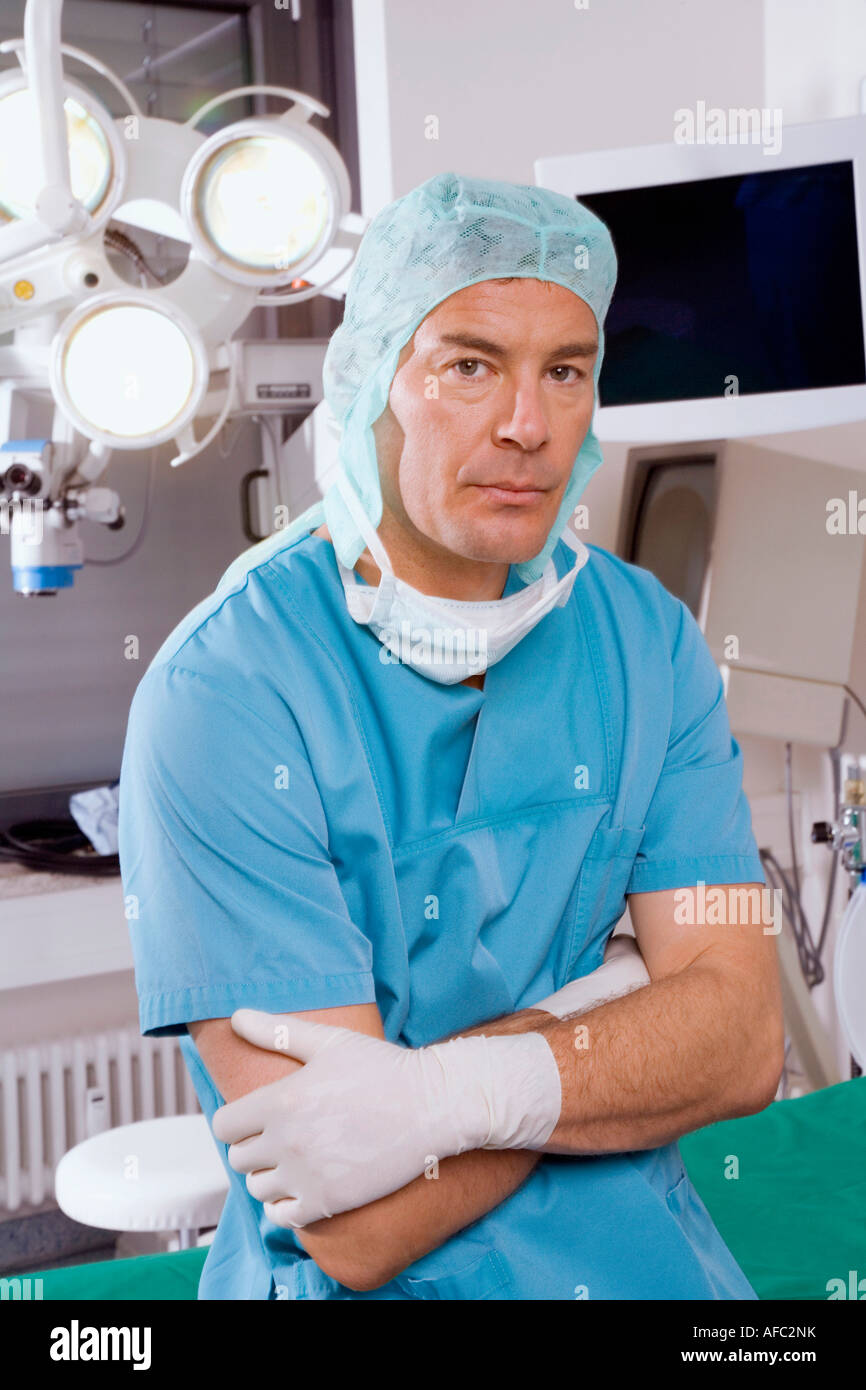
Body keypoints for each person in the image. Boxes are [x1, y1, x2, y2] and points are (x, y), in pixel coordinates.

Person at [117, 171, 784, 1301]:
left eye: (564, 371)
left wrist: (441, 1098)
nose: (525, 425)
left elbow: (743, 1042)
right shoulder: (226, 690)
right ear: (374, 376)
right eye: (468, 364)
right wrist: (613, 1008)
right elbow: (357, 1221)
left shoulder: (646, 643)